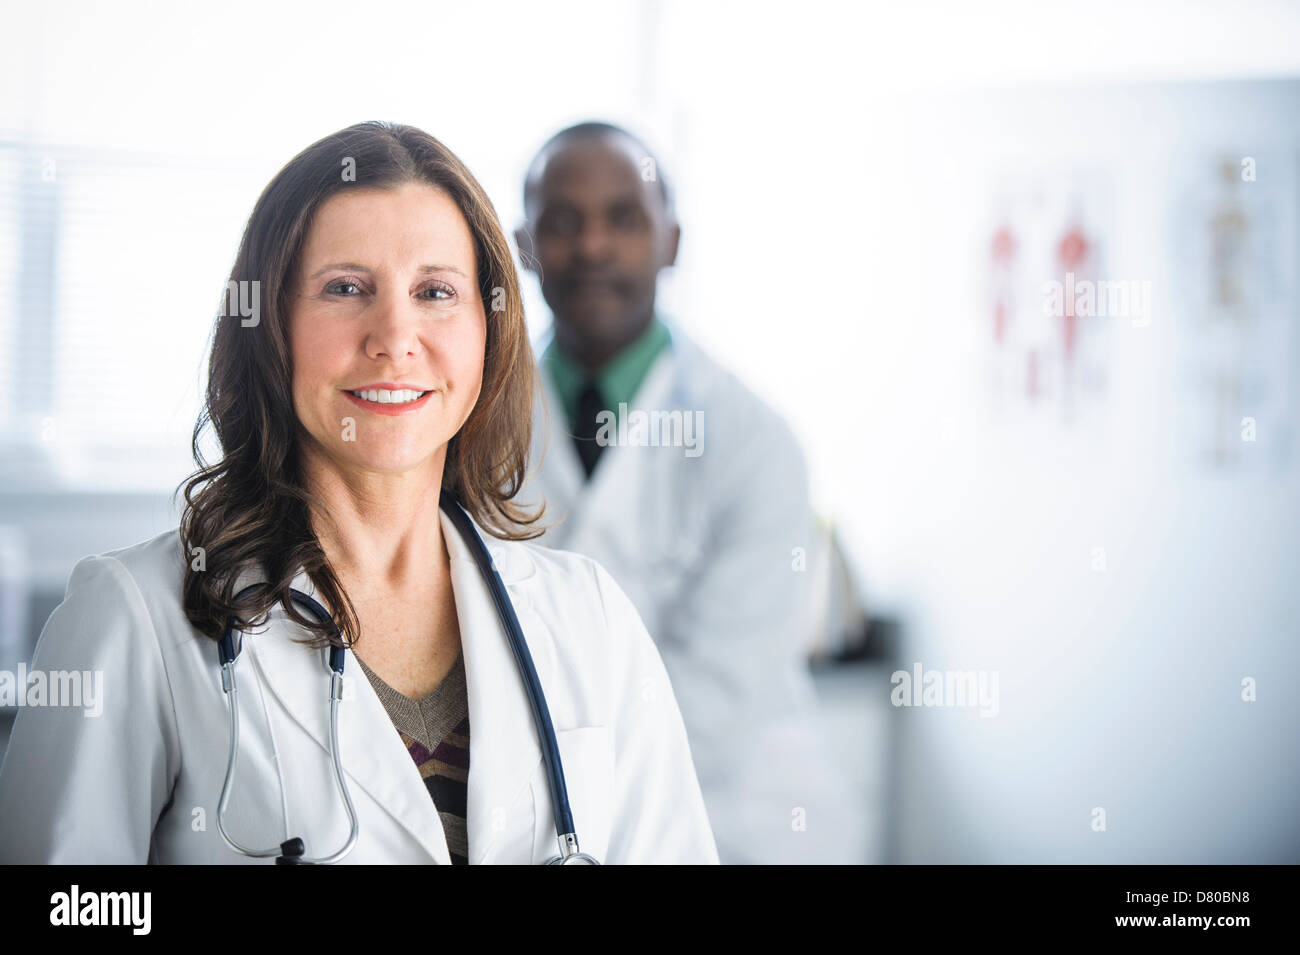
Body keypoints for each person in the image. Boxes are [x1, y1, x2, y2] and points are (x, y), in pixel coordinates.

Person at [0, 121, 718, 865]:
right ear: (269, 324)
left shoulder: (590, 619)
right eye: (346, 288)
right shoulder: (133, 617)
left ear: (487, 332)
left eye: (435, 290)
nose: (395, 335)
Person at [514, 122, 865, 863]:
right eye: (562, 221)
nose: (592, 247)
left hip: (738, 818)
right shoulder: (470, 427)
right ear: (521, 244)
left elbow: (717, 693)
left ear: (672, 240)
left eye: (624, 218)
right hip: (536, 823)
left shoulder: (754, 441)